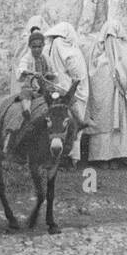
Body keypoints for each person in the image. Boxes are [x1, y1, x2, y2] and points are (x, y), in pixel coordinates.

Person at [85, 18, 127, 164]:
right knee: (103, 124)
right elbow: (92, 72)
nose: (111, 41)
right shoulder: (96, 50)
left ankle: (116, 156)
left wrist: (122, 80)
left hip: (119, 97)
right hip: (103, 99)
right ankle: (101, 158)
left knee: (118, 124)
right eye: (108, 37)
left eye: (113, 37)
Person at [44, 22, 91, 156]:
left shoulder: (59, 46)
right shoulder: (67, 48)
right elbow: (73, 69)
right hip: (66, 89)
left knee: (67, 122)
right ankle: (68, 155)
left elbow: (74, 72)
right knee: (65, 122)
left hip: (68, 89)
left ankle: (69, 155)